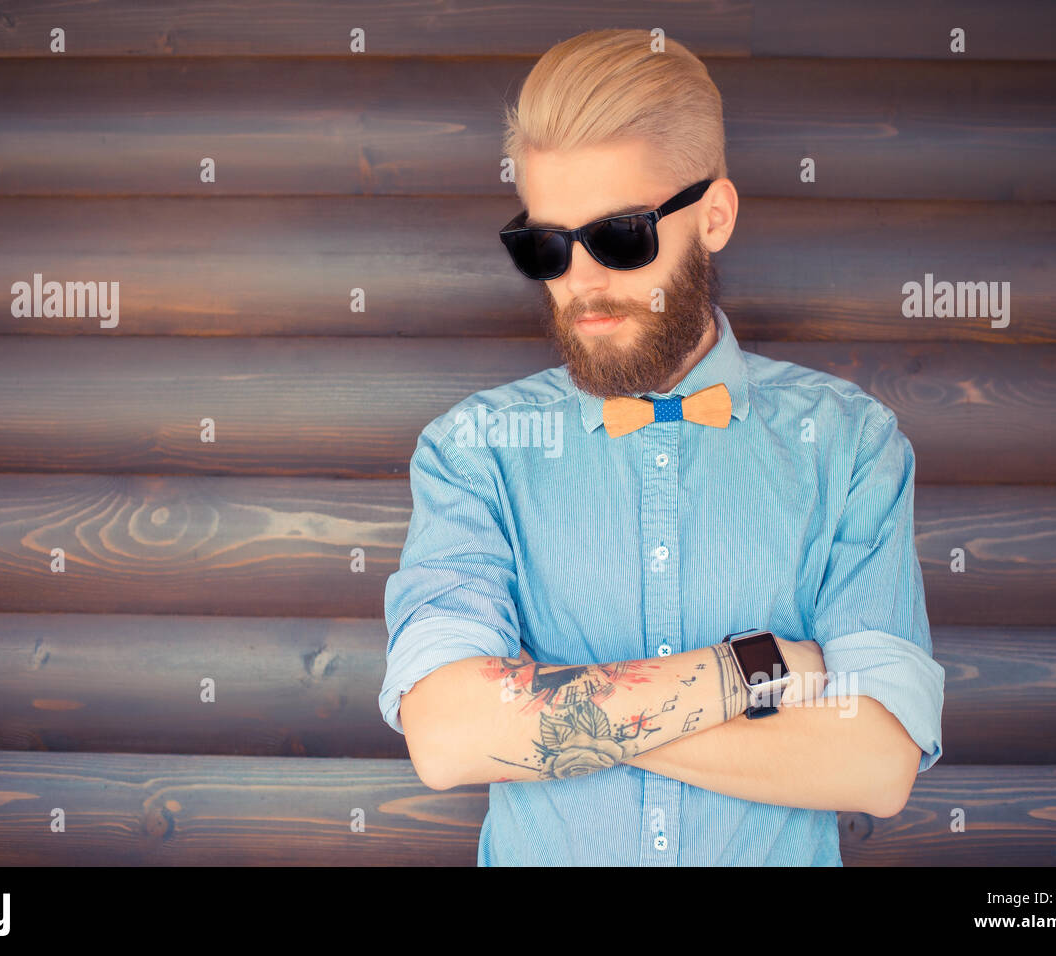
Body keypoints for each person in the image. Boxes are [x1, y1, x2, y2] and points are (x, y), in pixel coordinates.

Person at [378, 28, 945, 866]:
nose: (582, 282)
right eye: (547, 245)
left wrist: (543, 721)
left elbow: (876, 761)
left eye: (620, 236)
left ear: (712, 217)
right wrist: (748, 675)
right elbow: (449, 736)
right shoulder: (475, 451)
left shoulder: (851, 446)